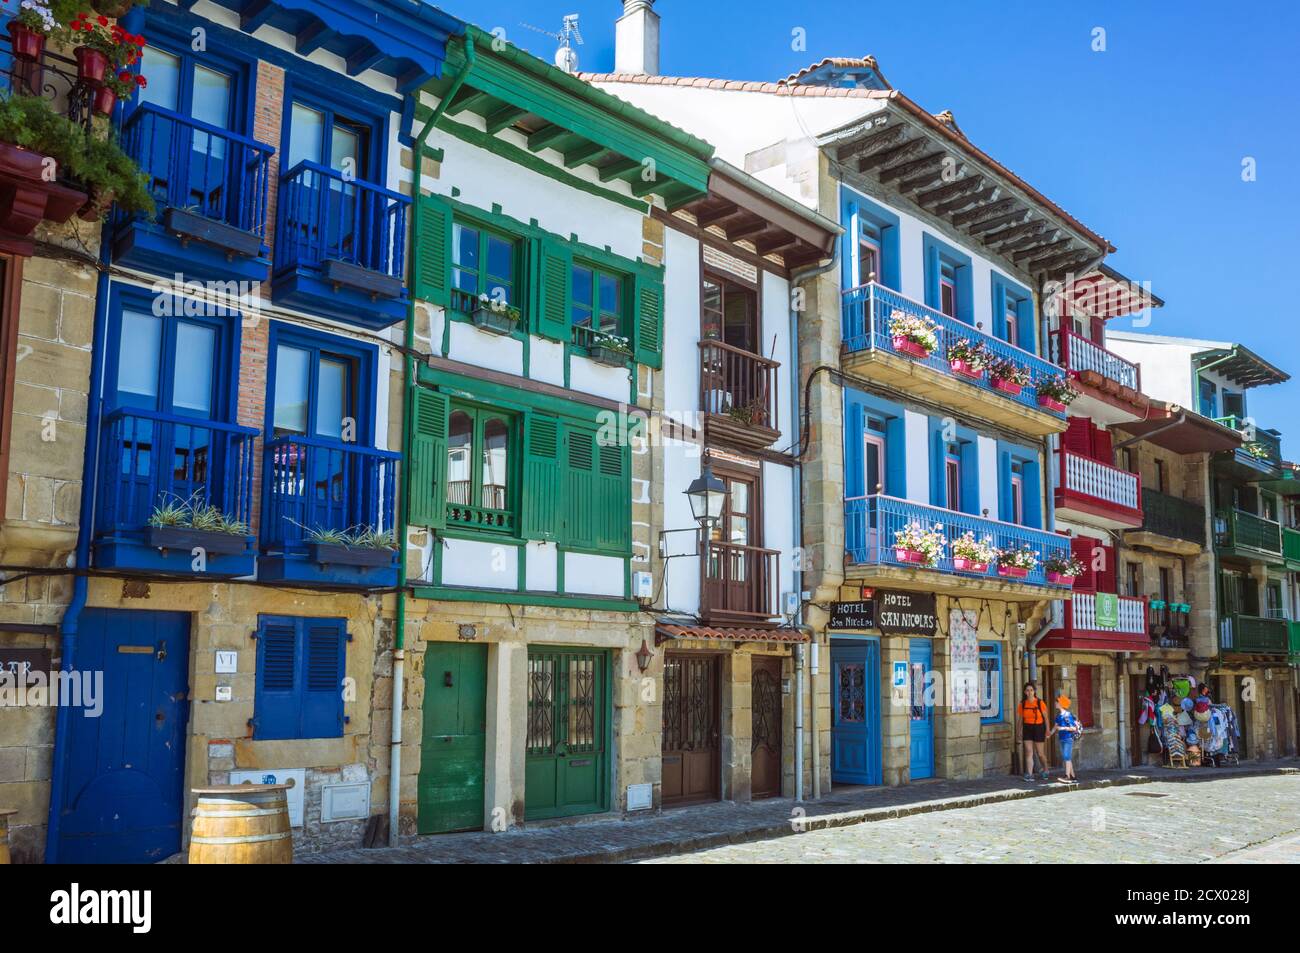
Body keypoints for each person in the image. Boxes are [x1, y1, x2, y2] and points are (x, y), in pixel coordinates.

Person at [1018, 682, 1050, 781]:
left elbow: (1046, 718)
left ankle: (1045, 769)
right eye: (1027, 690)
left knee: (1040, 753)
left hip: (1039, 728)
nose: (1030, 692)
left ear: (1034, 691)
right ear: (1025, 692)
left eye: (1031, 690)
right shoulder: (1022, 704)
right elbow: (1020, 719)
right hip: (1027, 728)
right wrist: (1018, 731)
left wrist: (1047, 730)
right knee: (1028, 752)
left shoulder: (1040, 703)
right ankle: (1030, 774)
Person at [1048, 694, 1082, 783]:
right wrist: (1049, 734)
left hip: (1068, 738)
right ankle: (1073, 777)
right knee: (1067, 758)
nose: (1055, 704)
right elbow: (1055, 727)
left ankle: (1067, 776)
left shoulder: (1068, 715)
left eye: (1057, 702)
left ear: (1061, 704)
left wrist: (1063, 728)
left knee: (1067, 757)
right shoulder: (1059, 717)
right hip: (1062, 739)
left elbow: (1074, 728)